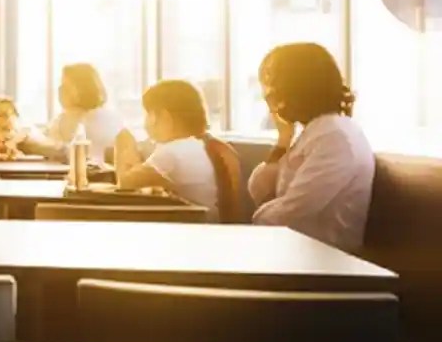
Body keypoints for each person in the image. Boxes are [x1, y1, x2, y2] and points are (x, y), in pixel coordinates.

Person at [248, 43, 374, 251]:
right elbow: (259, 188)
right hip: (297, 250)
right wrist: (283, 140)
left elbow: (293, 210)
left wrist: (252, 225)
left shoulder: (335, 136)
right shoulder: (315, 131)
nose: (268, 96)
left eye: (272, 86)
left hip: (324, 261)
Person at [114, 80, 223, 219]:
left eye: (148, 114)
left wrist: (124, 142)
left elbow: (125, 183)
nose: (145, 122)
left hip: (193, 230)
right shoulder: (199, 145)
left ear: (163, 117)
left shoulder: (172, 152)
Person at [25, 63, 124, 163]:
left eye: (64, 86)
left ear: (79, 90)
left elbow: (51, 147)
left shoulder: (67, 120)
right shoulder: (112, 117)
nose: (60, 90)